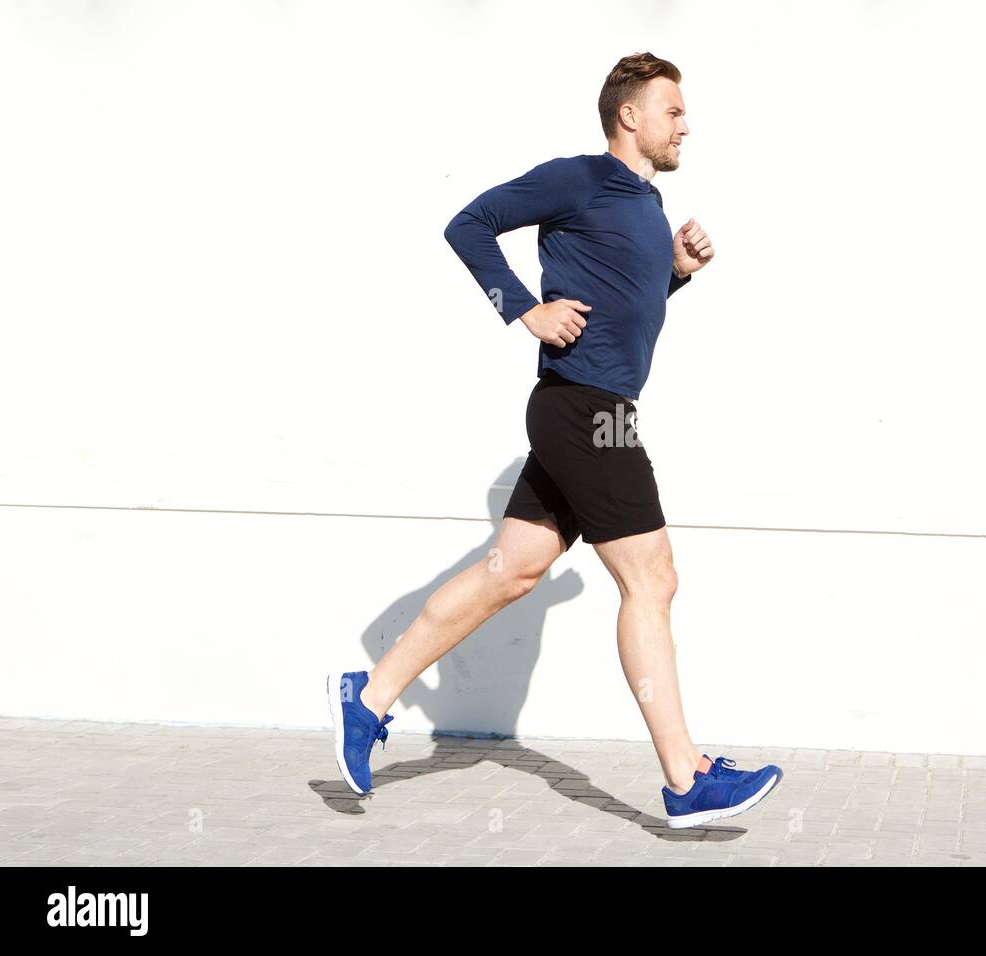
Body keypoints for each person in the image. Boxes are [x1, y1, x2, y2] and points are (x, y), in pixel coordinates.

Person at [328, 52, 782, 829]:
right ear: (628, 116)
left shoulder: (645, 207)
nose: (685, 124)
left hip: (588, 409)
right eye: (672, 109)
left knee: (513, 570)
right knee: (654, 580)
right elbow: (466, 223)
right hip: (588, 413)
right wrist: (522, 309)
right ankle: (685, 778)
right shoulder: (578, 178)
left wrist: (675, 271)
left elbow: (623, 305)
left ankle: (365, 699)